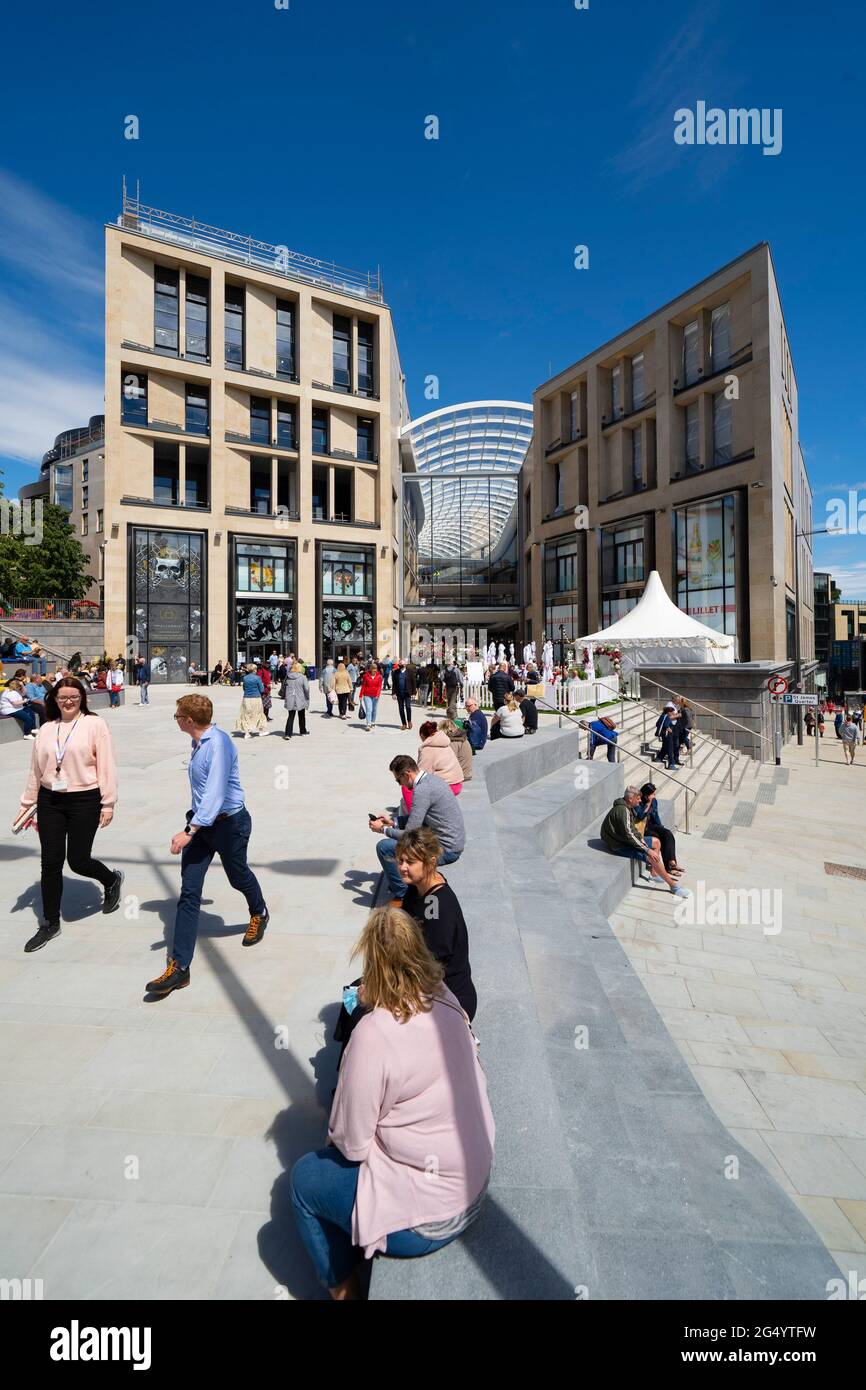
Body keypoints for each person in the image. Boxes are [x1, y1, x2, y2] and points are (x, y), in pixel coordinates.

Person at [291, 905, 494, 1300]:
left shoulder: (374, 1035)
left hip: (432, 1217)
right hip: (475, 1179)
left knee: (303, 1180)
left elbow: (351, 1143)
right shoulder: (445, 997)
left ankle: (342, 1288)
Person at [145, 693, 269, 995]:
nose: (175, 719)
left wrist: (189, 830)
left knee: (237, 875)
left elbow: (214, 794)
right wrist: (195, 826)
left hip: (229, 824)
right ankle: (180, 968)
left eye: (177, 715)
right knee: (189, 893)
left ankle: (259, 912)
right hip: (202, 824)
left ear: (188, 720)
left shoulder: (220, 745)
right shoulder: (198, 742)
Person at [16, 676, 123, 952]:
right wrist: (28, 803)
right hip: (49, 800)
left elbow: (106, 765)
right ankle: (50, 922)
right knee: (50, 863)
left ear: (81, 699)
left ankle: (111, 880)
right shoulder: (48, 728)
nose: (68, 701)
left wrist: (108, 802)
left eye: (73, 697)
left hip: (85, 799)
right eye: (62, 697)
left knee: (78, 860)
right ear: (54, 699)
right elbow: (36, 770)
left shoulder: (94, 724)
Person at [371, 756, 466, 902]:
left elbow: (410, 834)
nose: (399, 784)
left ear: (406, 774)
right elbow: (417, 817)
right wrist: (393, 822)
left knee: (384, 847)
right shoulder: (432, 780)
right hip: (452, 843)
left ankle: (403, 895)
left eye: (398, 780)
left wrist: (382, 829)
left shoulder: (422, 790)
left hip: (446, 850)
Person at [600, 786, 687, 896]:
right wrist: (646, 849)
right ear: (630, 799)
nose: (640, 801)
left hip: (624, 839)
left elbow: (632, 829)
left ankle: (654, 874)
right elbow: (629, 835)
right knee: (652, 856)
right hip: (618, 844)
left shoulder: (627, 807)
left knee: (656, 842)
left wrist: (641, 838)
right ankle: (673, 886)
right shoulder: (623, 810)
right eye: (638, 798)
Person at [636, 783, 682, 875]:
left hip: (652, 826)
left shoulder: (654, 801)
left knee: (667, 833)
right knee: (659, 838)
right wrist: (648, 804)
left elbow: (656, 816)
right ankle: (669, 867)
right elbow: (640, 816)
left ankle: (672, 861)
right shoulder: (639, 802)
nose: (654, 796)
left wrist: (661, 828)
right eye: (652, 794)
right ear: (646, 795)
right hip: (643, 829)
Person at [415, 720, 464, 792]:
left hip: (446, 787)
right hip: (457, 782)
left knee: (409, 786)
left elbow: (421, 775)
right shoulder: (444, 743)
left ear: (422, 735)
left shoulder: (427, 750)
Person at [235, 664, 268, 739]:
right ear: (254, 670)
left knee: (246, 715)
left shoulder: (245, 678)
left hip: (246, 698)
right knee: (259, 714)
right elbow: (262, 689)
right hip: (256, 698)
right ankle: (261, 731)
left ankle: (247, 733)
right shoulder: (258, 678)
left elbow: (244, 688)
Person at [283, 660, 310, 738]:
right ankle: (303, 731)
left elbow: (284, 686)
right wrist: (307, 697)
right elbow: (306, 689)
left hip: (290, 698)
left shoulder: (288, 677)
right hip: (300, 698)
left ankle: (288, 733)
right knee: (301, 715)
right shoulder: (302, 677)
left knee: (291, 716)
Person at [443, 716, 473, 781]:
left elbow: (450, 761)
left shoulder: (454, 741)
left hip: (461, 775)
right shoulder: (461, 738)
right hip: (465, 772)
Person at [391, 657, 416, 731]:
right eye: (399, 664)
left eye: (401, 664)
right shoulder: (396, 672)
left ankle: (409, 721)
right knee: (401, 709)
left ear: (405, 664)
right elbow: (394, 683)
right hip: (399, 693)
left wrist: (414, 693)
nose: (400, 665)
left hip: (407, 692)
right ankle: (404, 724)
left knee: (408, 707)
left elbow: (413, 682)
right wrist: (393, 693)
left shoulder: (410, 671)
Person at [359, 660, 383, 731]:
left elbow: (379, 686)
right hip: (367, 695)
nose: (375, 671)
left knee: (374, 710)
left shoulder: (379, 677)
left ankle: (373, 721)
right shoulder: (366, 676)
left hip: (375, 695)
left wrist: (377, 694)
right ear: (371, 669)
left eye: (376, 669)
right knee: (369, 709)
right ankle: (368, 724)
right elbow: (363, 686)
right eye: (373, 669)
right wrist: (361, 695)